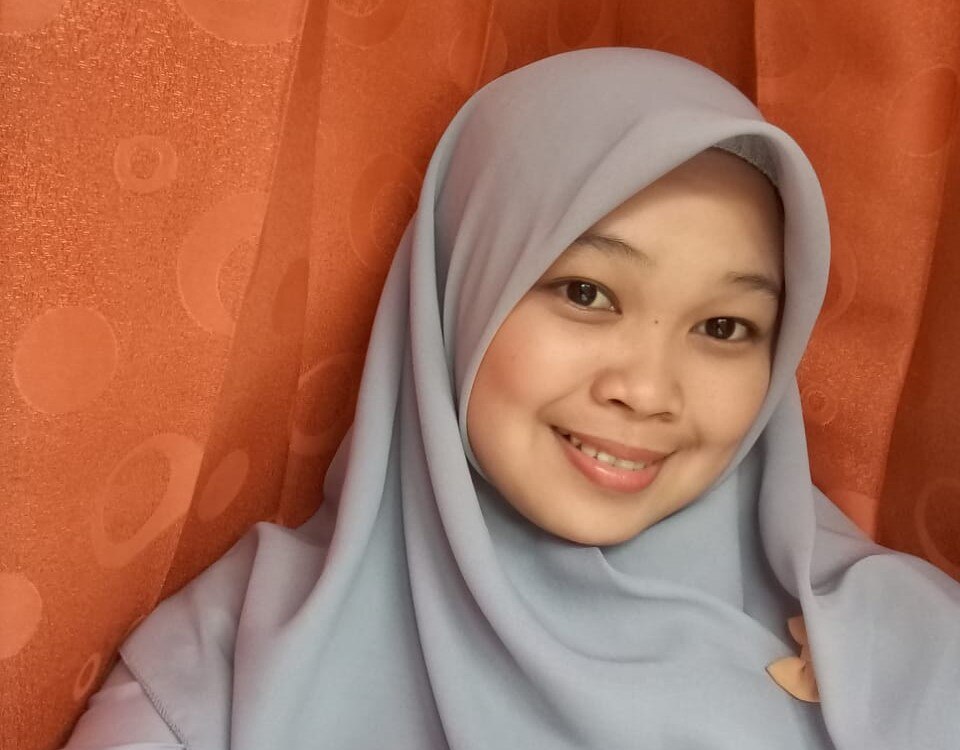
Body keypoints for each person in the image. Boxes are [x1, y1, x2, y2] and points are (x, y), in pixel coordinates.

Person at [63, 47, 960, 750]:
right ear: (460, 290)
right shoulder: (220, 679)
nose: (648, 391)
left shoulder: (899, 649)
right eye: (586, 293)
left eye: (724, 327)